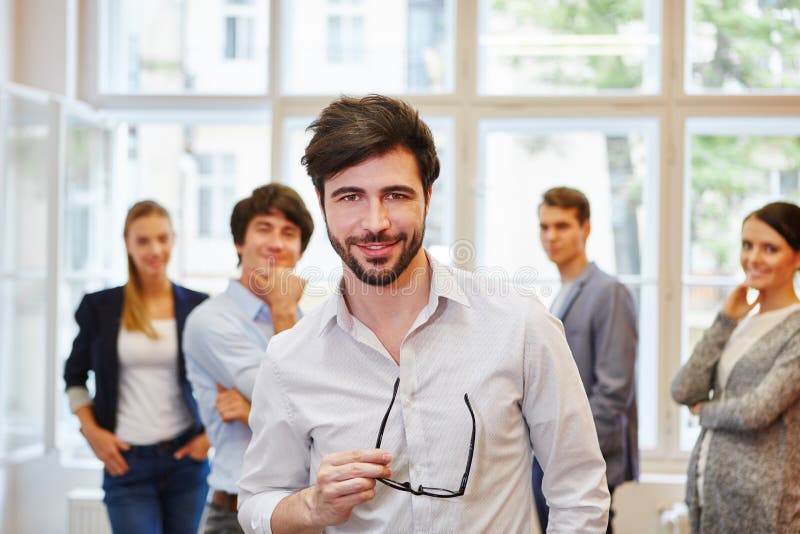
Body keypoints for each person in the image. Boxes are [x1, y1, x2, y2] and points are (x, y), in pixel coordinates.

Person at [237, 94, 610, 534]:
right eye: (350, 196)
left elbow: (579, 490)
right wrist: (312, 507)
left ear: (428, 198)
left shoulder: (520, 326)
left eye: (395, 194)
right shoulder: (289, 358)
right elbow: (257, 500)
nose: (375, 222)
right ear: (322, 205)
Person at [63, 200, 210, 534]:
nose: (154, 249)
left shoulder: (198, 306)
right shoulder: (99, 307)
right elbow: (73, 378)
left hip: (186, 463)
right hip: (126, 464)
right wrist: (91, 431)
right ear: (127, 244)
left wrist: (209, 437)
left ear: (173, 239)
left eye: (162, 238)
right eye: (143, 241)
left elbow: (222, 382)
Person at [184, 184, 314, 534]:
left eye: (289, 232)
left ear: (299, 250)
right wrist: (283, 311)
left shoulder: (312, 325)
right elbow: (290, 403)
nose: (276, 242)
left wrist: (251, 411)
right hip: (237, 517)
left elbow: (325, 413)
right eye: (263, 228)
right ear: (239, 243)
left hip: (305, 511)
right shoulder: (210, 321)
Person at [671, 201, 800, 533]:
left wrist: (704, 412)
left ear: (797, 258)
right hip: (710, 493)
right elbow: (683, 390)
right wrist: (724, 321)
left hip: (763, 505)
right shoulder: (740, 323)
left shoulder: (796, 329)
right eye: (747, 245)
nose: (753, 258)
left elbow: (756, 410)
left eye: (770, 248)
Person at [534, 186, 639, 533]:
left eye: (562, 226)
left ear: (586, 228)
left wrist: (574, 457)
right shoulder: (562, 294)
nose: (551, 236)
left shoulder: (608, 292)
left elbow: (613, 391)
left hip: (584, 463)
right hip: (556, 462)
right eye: (545, 226)